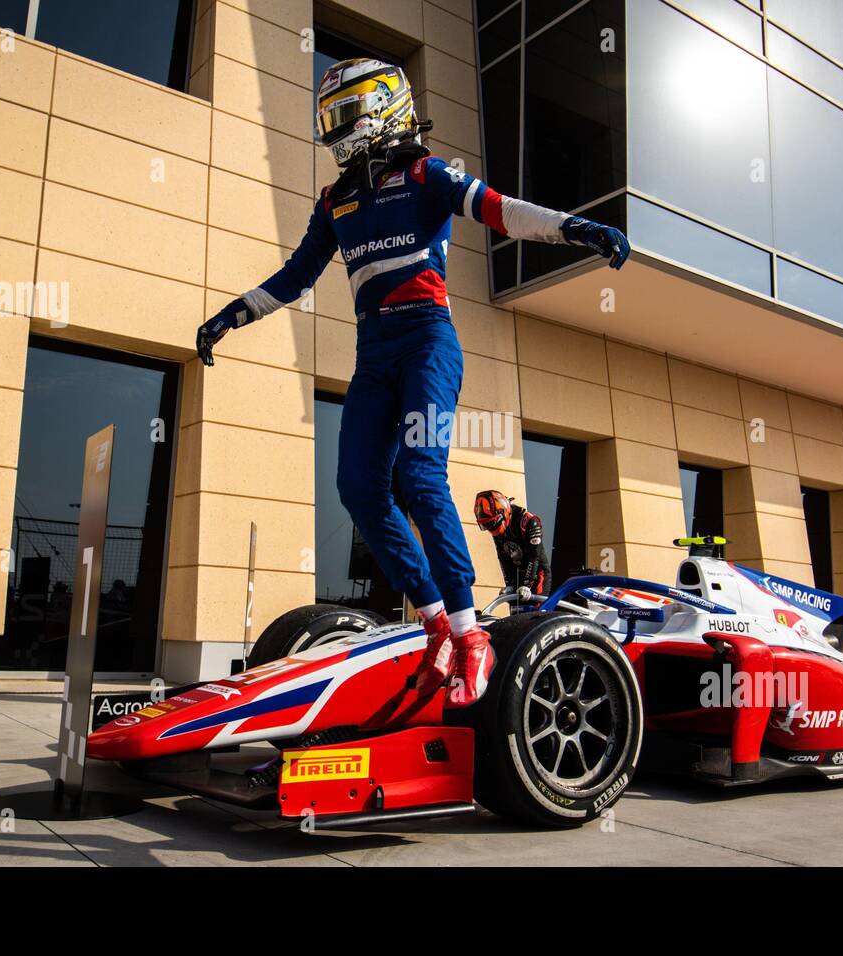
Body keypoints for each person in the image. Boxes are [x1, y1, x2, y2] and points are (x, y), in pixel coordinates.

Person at [195, 58, 629, 706]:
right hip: (374, 357)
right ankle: (433, 627)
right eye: (330, 119)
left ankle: (469, 635)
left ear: (386, 110)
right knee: (359, 489)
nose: (336, 131)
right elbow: (295, 277)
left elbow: (500, 212)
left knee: (420, 478)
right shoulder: (336, 200)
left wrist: (573, 228)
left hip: (429, 342)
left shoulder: (427, 175)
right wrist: (232, 314)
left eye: (347, 115)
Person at [474, 490, 551, 597]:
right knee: (515, 610)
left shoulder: (529, 521)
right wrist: (510, 584)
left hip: (537, 574)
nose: (490, 528)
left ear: (503, 513)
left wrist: (527, 584)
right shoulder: (497, 528)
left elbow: (534, 556)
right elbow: (502, 556)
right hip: (517, 575)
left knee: (533, 610)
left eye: (491, 523)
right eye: (486, 525)